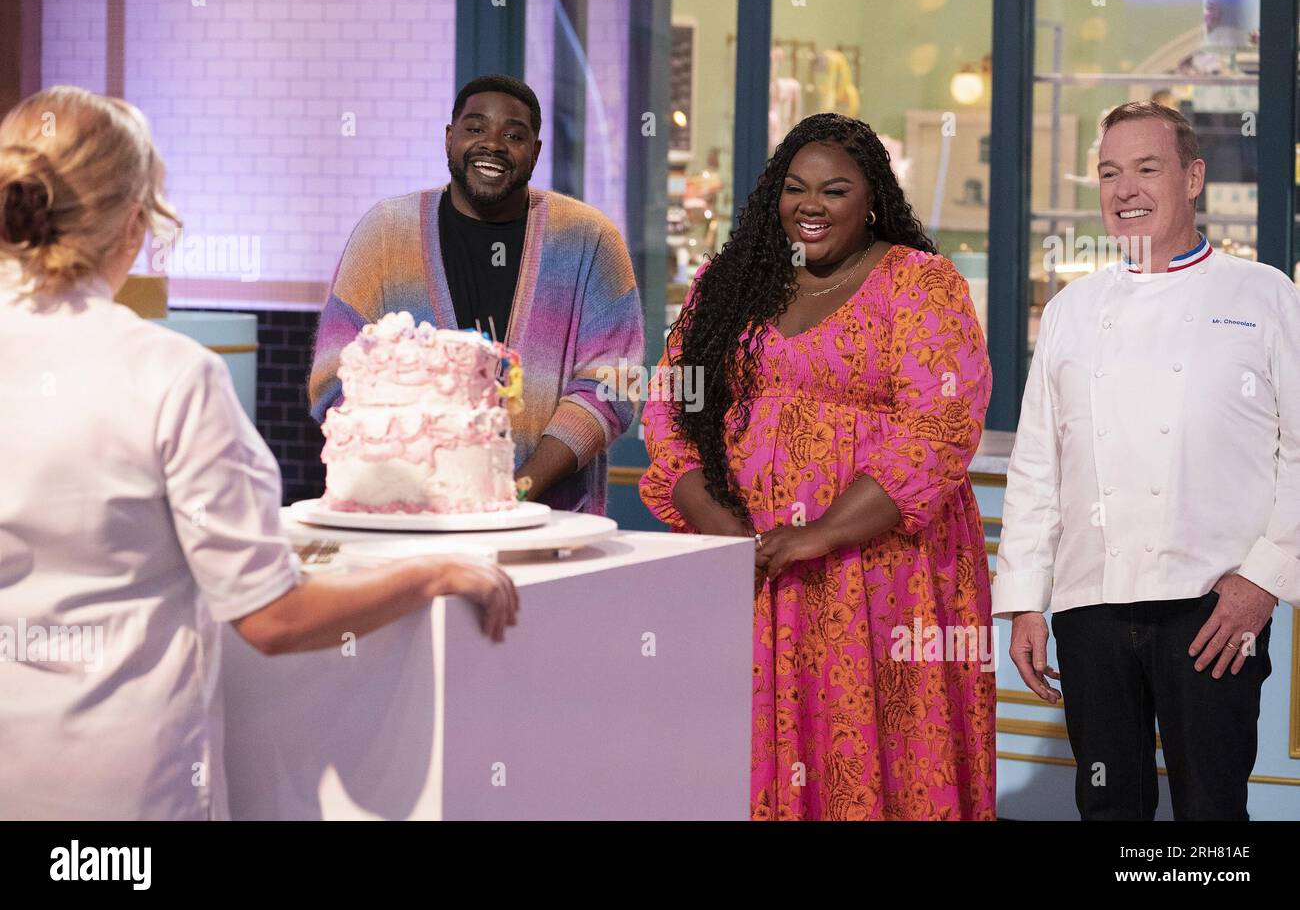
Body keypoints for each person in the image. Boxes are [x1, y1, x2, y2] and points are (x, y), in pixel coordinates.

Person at [0, 86, 519, 820]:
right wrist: (429, 572)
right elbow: (273, 619)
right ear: (134, 222)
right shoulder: (167, 376)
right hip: (116, 783)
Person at [640, 113, 995, 820]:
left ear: (872, 200)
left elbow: (941, 426)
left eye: (835, 190)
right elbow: (669, 409)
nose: (812, 205)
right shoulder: (729, 281)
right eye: (795, 188)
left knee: (860, 753)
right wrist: (720, 528)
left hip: (877, 571)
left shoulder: (920, 283)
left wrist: (821, 532)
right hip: (741, 565)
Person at [995, 100, 1299, 820]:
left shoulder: (1263, 294)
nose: (1124, 189)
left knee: (1210, 811)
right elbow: (1039, 462)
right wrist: (1023, 602)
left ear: (1192, 178)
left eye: (1146, 169)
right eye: (1108, 173)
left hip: (1213, 610)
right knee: (1107, 808)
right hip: (1089, 605)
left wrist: (1263, 581)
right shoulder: (1073, 308)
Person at [309, 75, 644, 514]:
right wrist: (428, 481)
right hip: (405, 527)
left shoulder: (590, 240)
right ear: (449, 139)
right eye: (474, 128)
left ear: (536, 151)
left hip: (552, 528)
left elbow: (613, 384)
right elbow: (335, 377)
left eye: (513, 134)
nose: (492, 144)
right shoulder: (385, 234)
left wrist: (516, 489)